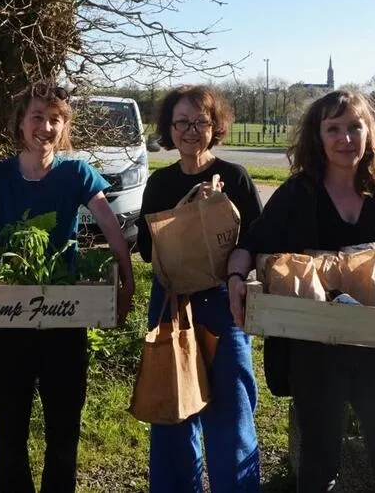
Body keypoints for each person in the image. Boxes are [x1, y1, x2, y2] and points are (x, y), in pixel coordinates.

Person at [229, 89, 375, 493]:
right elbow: (251, 244)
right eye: (333, 129)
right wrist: (236, 279)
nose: (345, 139)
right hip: (315, 351)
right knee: (318, 460)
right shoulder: (298, 194)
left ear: (369, 132)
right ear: (318, 135)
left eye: (354, 127)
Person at [0, 80, 135, 493]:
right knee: (9, 430)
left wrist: (126, 278)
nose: (46, 127)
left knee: (64, 428)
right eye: (37, 117)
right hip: (6, 316)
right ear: (21, 123)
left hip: (64, 314)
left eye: (55, 119)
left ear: (64, 126)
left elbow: (110, 224)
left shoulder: (76, 173)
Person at [135, 85, 262, 493]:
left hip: (223, 304)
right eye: (182, 123)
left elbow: (257, 240)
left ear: (215, 127)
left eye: (200, 122)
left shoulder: (234, 177)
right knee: (172, 410)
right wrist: (184, 219)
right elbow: (146, 249)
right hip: (171, 304)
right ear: (169, 129)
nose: (191, 131)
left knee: (231, 413)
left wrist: (218, 212)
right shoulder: (159, 183)